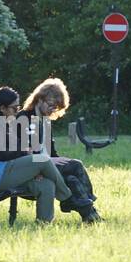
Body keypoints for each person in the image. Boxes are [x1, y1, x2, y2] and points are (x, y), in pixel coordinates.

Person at [0, 85, 73, 224]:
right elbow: (2, 155)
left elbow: (16, 151)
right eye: (14, 108)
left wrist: (32, 168)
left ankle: (43, 225)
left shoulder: (6, 124)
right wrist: (28, 156)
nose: (17, 111)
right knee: (42, 160)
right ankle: (67, 198)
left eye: (18, 107)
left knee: (46, 184)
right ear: (2, 108)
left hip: (4, 171)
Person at [20, 76, 102, 223]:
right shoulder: (23, 119)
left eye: (56, 107)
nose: (53, 110)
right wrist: (37, 170)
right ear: (39, 99)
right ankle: (87, 206)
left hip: (47, 162)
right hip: (34, 164)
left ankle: (90, 215)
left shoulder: (45, 121)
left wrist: (61, 164)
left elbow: (52, 152)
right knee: (76, 164)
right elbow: (23, 151)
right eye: (51, 105)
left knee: (71, 179)